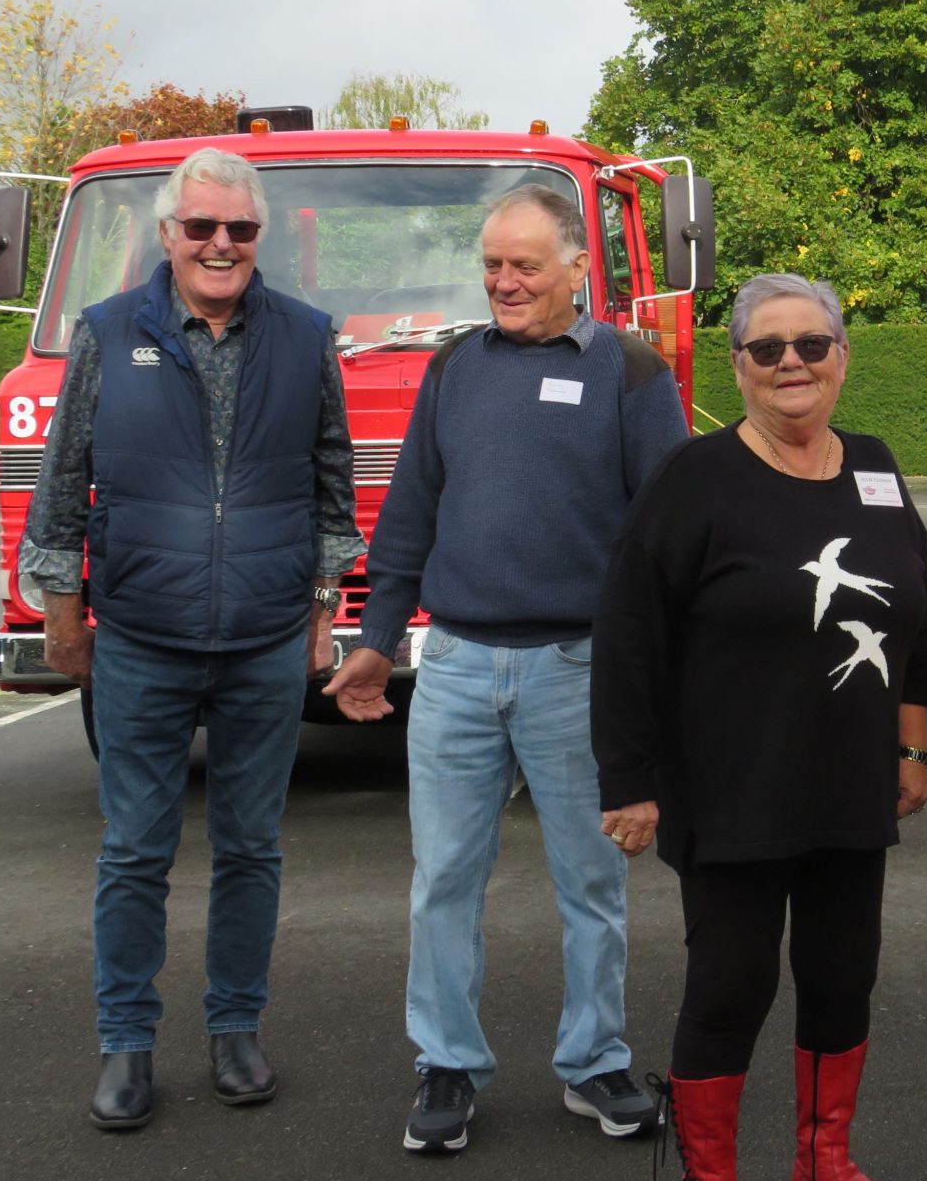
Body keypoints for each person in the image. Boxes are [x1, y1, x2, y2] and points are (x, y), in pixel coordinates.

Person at [325, 184, 685, 1155]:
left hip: (581, 671)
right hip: (454, 667)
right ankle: (444, 1063)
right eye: (491, 264)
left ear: (577, 268)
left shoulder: (635, 372)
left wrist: (659, 688)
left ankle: (595, 1063)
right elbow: (407, 519)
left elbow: (669, 540)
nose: (504, 282)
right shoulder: (454, 369)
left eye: (525, 265)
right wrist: (374, 644)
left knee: (591, 883)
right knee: (442, 877)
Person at [18, 147, 363, 1130]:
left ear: (260, 238)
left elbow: (329, 478)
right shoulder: (104, 332)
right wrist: (61, 610)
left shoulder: (305, 337)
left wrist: (319, 613)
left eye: (240, 230)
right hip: (139, 636)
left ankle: (234, 1030)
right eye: (201, 227)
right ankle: (125, 1044)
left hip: (262, 639)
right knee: (134, 849)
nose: (220, 244)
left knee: (252, 848)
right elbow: (63, 478)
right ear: (168, 233)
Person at [591, 273, 927, 1181]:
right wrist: (626, 782)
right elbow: (628, 636)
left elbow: (917, 623)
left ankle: (826, 1161)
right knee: (730, 989)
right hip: (732, 790)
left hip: (851, 786)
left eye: (812, 346)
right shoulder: (694, 478)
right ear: (739, 367)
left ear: (841, 358)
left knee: (840, 980)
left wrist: (913, 745)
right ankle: (711, 1173)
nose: (792, 363)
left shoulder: (873, 464)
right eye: (767, 349)